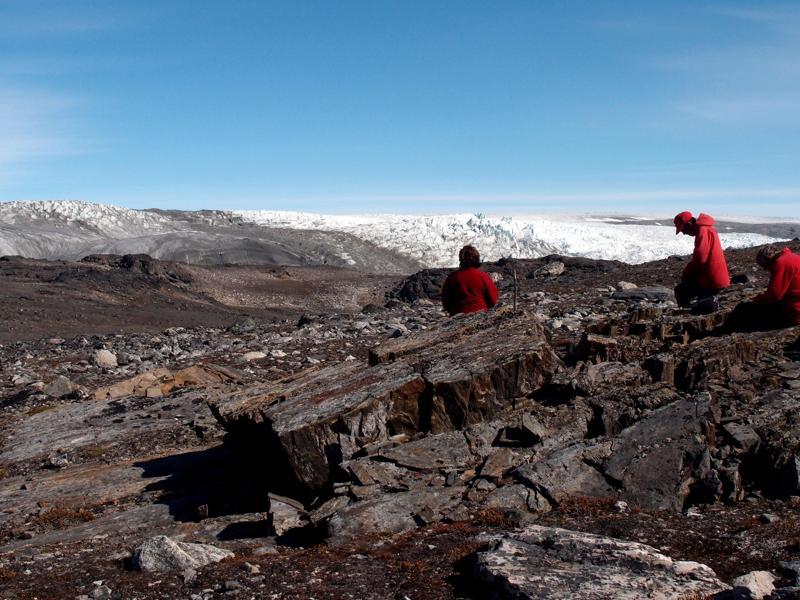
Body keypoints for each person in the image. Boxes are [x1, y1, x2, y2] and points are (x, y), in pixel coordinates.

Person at [724, 246, 800, 332]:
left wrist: (756, 300)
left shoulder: (781, 263)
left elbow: (774, 296)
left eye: (764, 265)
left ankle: (727, 330)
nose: (764, 269)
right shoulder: (793, 257)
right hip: (796, 303)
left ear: (768, 260)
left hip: (794, 313)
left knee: (744, 309)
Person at [673, 211, 730, 307]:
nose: (684, 233)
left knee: (681, 291)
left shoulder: (702, 230)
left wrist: (687, 273)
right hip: (715, 277)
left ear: (689, 223)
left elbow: (701, 258)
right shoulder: (706, 228)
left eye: (683, 229)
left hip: (711, 279)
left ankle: (687, 311)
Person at [441, 245, 498, 316]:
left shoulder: (452, 277)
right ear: (476, 259)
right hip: (481, 314)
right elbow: (493, 300)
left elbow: (446, 301)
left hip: (457, 316)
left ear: (461, 259)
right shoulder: (483, 276)